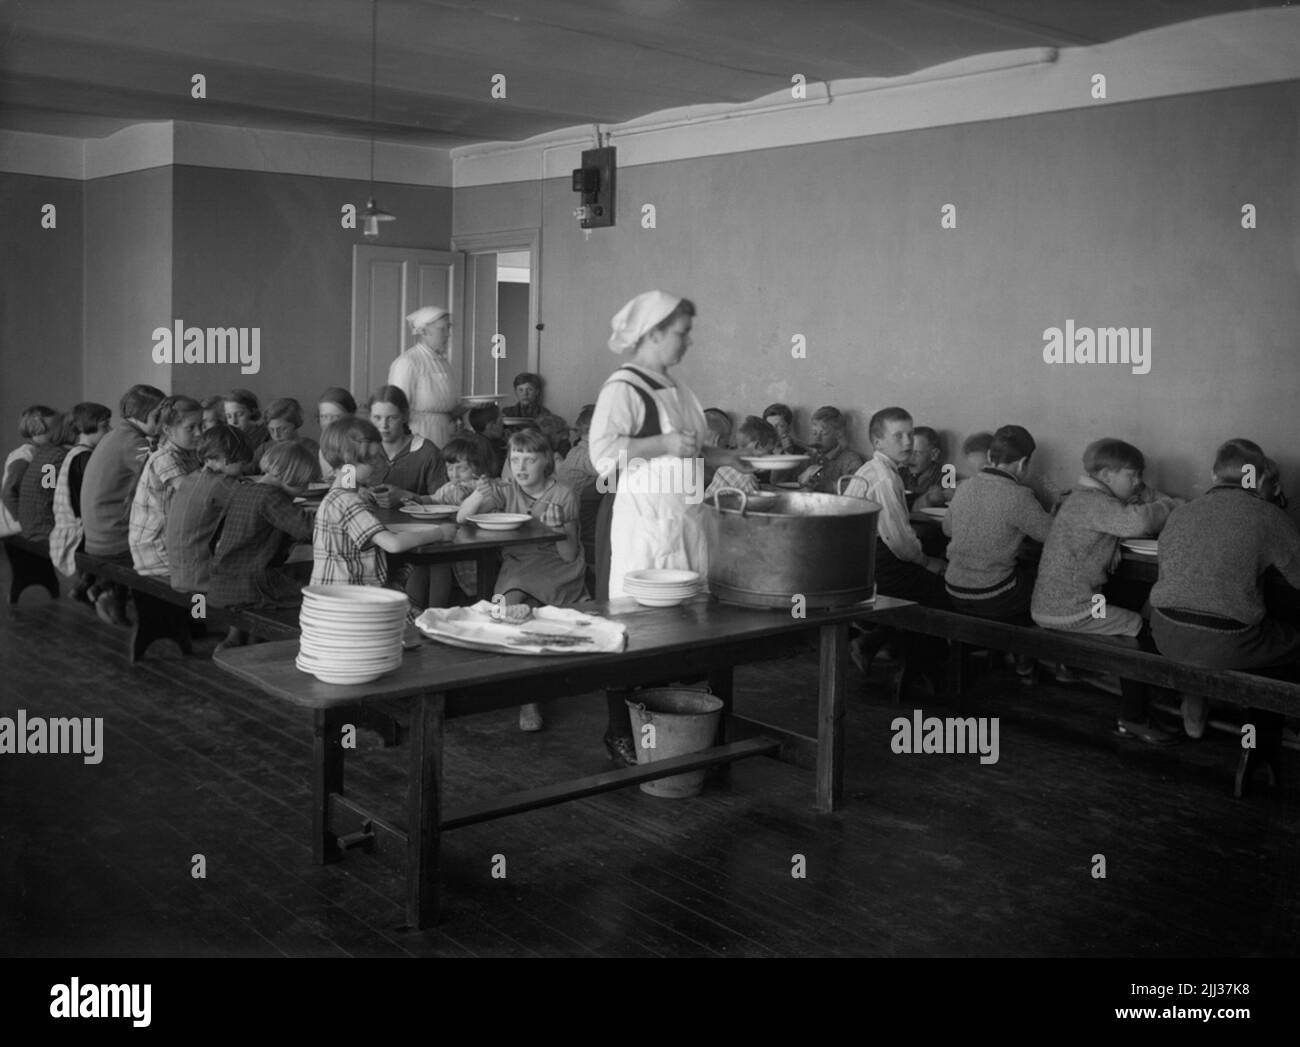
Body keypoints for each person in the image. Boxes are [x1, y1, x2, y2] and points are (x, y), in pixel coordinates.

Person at [589, 290, 743, 766]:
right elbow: (602, 459)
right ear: (652, 334)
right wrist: (660, 441)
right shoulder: (623, 388)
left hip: (687, 521)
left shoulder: (677, 389)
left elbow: (691, 452)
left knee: (694, 624)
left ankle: (694, 732)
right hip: (645, 527)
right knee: (634, 627)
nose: (688, 342)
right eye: (681, 333)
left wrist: (739, 459)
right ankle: (620, 730)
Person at [1030, 438, 1179, 744]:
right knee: (1139, 627)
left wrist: (1146, 494)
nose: (1138, 482)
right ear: (1108, 476)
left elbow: (1135, 505)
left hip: (1055, 602)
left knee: (1130, 600)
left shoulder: (1083, 496)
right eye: (1132, 475)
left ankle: (1140, 703)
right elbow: (1137, 522)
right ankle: (1134, 717)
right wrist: (1170, 504)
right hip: (1072, 609)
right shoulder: (1095, 503)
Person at [1150, 439, 1300, 738]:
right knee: (1289, 637)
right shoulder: (1268, 516)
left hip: (1165, 633)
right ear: (1258, 479)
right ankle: (1268, 733)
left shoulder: (1182, 512)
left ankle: (1195, 700)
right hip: (1228, 643)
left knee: (1207, 617)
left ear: (1213, 476)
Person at [458, 427, 585, 732]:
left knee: (525, 614)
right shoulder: (505, 491)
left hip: (557, 568)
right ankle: (527, 695)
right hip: (516, 566)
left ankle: (530, 697)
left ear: (547, 462)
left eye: (530, 459)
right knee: (509, 613)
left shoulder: (563, 495)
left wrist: (562, 527)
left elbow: (568, 555)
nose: (521, 467)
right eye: (515, 459)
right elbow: (463, 518)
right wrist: (479, 493)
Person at [842, 406, 949, 696]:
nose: (907, 442)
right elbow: (898, 540)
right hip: (873, 569)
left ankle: (872, 644)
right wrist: (928, 562)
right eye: (898, 436)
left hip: (858, 564)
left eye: (910, 434)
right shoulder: (885, 478)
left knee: (924, 585)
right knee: (941, 591)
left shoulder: (873, 469)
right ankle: (919, 673)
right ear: (877, 442)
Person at [311, 417, 455, 623]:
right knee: (429, 623)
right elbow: (393, 544)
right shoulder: (349, 501)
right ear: (348, 461)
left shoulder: (333, 498)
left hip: (331, 602)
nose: (376, 465)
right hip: (353, 606)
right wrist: (439, 532)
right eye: (370, 460)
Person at [209, 442, 318, 652]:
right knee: (314, 590)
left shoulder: (244, 488)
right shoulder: (271, 497)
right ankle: (263, 643)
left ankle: (239, 637)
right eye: (305, 483)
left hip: (222, 581)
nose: (305, 489)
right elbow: (308, 530)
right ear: (288, 476)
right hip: (250, 584)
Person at [943, 425, 1052, 621]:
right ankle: (1029, 648)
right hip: (993, 595)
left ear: (990, 456)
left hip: (954, 589)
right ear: (1023, 463)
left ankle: (999, 649)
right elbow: (1052, 536)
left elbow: (947, 529)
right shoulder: (1019, 496)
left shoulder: (964, 487)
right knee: (1052, 585)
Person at [80, 384, 166, 625]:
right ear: (148, 415)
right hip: (113, 540)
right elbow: (163, 478)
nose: (163, 422)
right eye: (159, 416)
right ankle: (180, 620)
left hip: (97, 535)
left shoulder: (117, 434)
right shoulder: (133, 442)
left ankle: (104, 589)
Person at [367, 384, 450, 609]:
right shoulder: (363, 451)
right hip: (372, 536)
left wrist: (406, 496)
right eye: (377, 417)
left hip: (416, 539)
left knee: (433, 568)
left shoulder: (426, 452)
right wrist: (364, 493)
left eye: (391, 418)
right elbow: (345, 485)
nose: (383, 425)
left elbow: (444, 499)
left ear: (404, 416)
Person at [165, 424, 250, 595]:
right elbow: (253, 502)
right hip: (200, 581)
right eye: (242, 463)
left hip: (180, 571)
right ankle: (208, 618)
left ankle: (201, 618)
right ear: (226, 459)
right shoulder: (221, 483)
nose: (244, 468)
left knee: (198, 616)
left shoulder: (192, 478)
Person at [129, 395, 204, 578]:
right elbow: (192, 493)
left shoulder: (189, 453)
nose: (199, 433)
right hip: (154, 546)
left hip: (171, 539)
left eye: (201, 426)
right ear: (168, 430)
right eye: (191, 428)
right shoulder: (164, 457)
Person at [48, 402, 113, 599]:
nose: (109, 430)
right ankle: (101, 590)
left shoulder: (75, 454)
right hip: (79, 530)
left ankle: (90, 586)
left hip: (73, 525)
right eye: (104, 426)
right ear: (86, 428)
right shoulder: (85, 458)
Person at [388, 305, 460, 447]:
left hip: (443, 433)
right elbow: (396, 407)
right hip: (419, 434)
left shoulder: (444, 363)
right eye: (442, 329)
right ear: (424, 331)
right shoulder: (407, 362)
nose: (447, 334)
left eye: (449, 328)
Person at [9, 406, 66, 543]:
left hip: (30, 526)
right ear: (39, 431)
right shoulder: (33, 457)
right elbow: (47, 490)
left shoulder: (41, 454)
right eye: (56, 428)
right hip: (32, 528)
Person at [798, 406, 864, 494]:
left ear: (838, 434)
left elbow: (858, 489)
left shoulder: (850, 460)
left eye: (824, 433)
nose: (817, 439)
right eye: (814, 433)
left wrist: (829, 486)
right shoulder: (808, 458)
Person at [705, 416, 774, 499]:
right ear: (757, 446)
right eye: (770, 452)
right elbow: (755, 506)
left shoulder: (723, 468)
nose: (772, 456)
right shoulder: (748, 479)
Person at [256, 397, 319, 470]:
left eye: (283, 429)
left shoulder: (310, 448)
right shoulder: (264, 448)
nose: (276, 435)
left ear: (295, 424)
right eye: (271, 430)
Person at [316, 387, 357, 482]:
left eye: (336, 417)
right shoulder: (324, 446)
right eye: (324, 417)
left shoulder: (357, 445)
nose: (329, 423)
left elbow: (349, 484)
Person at [222, 389, 268, 469]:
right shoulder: (225, 438)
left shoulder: (266, 435)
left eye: (239, 414)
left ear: (253, 411)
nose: (233, 421)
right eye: (229, 416)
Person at [904, 426, 947, 510]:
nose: (909, 458)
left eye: (916, 453)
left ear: (934, 454)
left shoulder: (946, 477)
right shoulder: (899, 473)